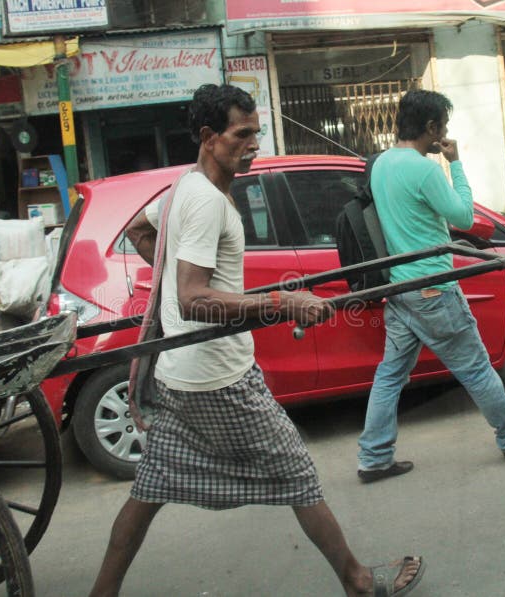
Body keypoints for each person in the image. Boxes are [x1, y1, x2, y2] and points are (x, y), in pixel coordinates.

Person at [90, 84, 425, 597]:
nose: (254, 145)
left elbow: (141, 232)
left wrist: (211, 289)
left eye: (256, 134)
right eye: (242, 135)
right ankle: (358, 582)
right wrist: (282, 302)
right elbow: (192, 298)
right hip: (219, 378)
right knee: (297, 471)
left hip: (182, 377)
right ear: (209, 137)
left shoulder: (186, 186)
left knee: (148, 491)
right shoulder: (206, 202)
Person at [357, 89, 505, 484]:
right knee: (476, 367)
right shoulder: (426, 169)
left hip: (401, 288)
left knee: (390, 375)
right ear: (431, 128)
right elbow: (465, 217)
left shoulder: (380, 164)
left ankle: (374, 457)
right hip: (432, 287)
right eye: (443, 128)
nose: (444, 135)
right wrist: (456, 163)